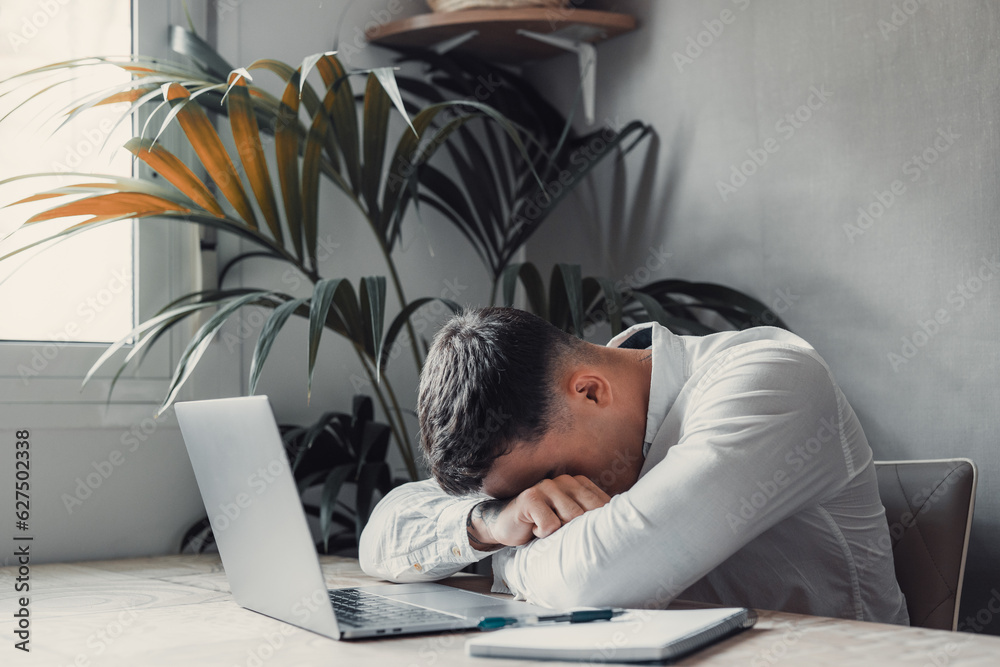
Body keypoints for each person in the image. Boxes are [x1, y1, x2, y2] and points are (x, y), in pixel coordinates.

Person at [359, 307, 909, 624]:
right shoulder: (546, 426)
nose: (541, 506)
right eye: (523, 496)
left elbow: (597, 579)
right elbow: (381, 535)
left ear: (590, 392)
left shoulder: (771, 378)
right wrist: (488, 523)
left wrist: (510, 551)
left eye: (541, 480)